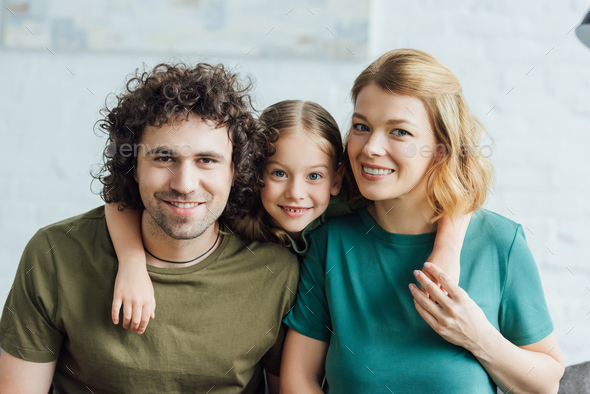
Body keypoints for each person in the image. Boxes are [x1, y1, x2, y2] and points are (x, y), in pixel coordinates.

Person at [0, 62, 299, 393]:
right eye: (163, 158)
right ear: (135, 167)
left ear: (235, 171)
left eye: (207, 160)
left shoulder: (276, 271)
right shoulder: (55, 255)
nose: (184, 185)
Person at [280, 49, 565, 394]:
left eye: (399, 132)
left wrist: (477, 336)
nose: (371, 147)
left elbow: (546, 384)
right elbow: (298, 381)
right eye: (361, 126)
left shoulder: (500, 244)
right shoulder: (331, 241)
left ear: (441, 148)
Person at [107, 99, 470, 335]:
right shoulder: (226, 203)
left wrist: (448, 249)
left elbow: (463, 188)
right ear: (253, 171)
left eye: (314, 176)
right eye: (279, 173)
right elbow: (118, 198)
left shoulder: (348, 206)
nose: (296, 193)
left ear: (336, 179)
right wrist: (132, 263)